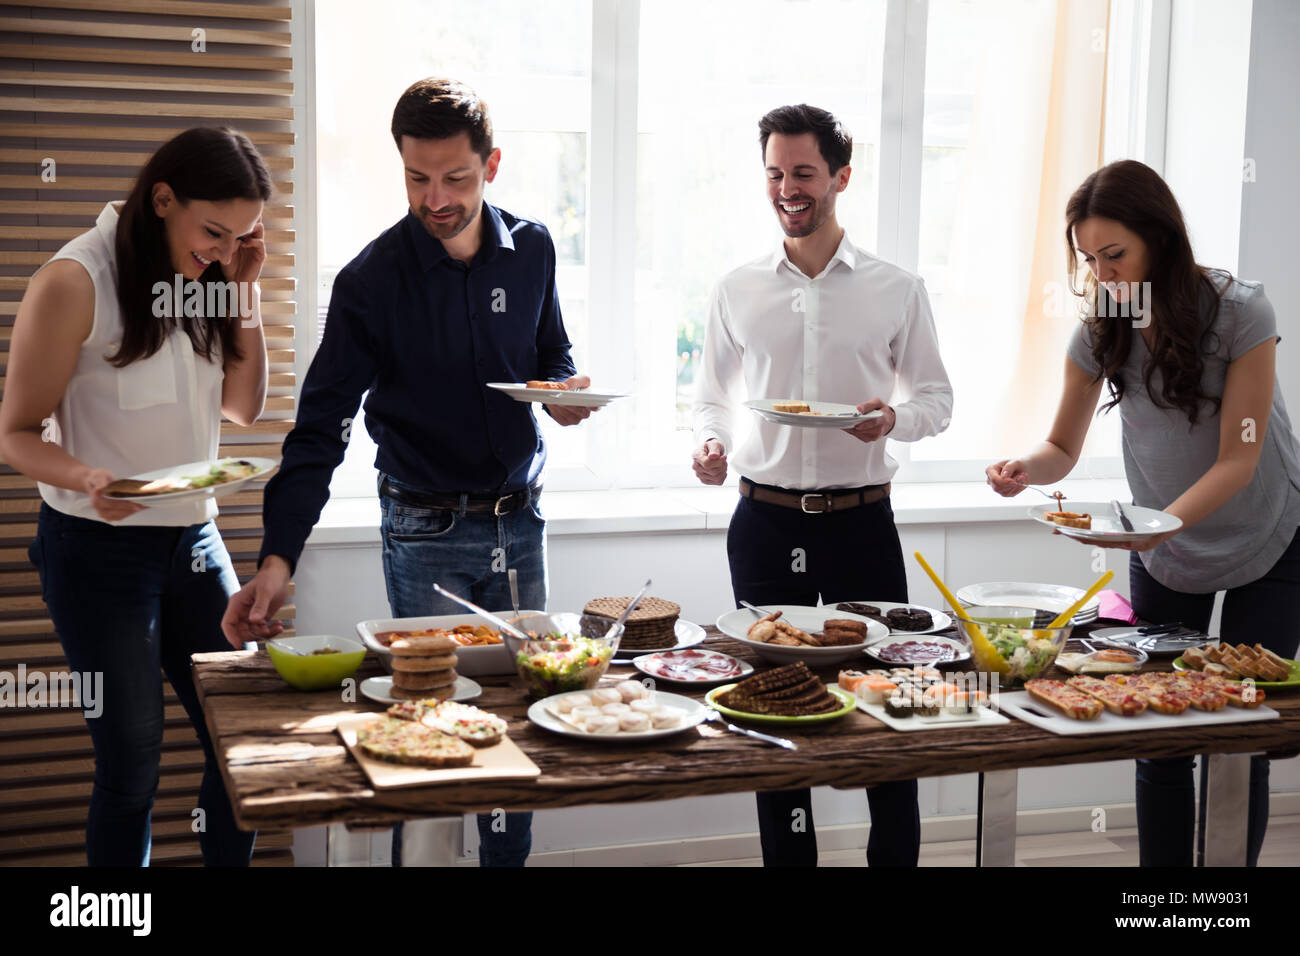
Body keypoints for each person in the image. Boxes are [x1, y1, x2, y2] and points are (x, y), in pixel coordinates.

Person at [221, 77, 593, 867]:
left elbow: (551, 357)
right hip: (424, 529)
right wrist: (278, 560)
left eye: (455, 178)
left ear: (491, 164)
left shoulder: (533, 249)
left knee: (523, 725)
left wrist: (564, 396)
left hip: (519, 521)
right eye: (417, 178)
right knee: (427, 732)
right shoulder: (369, 283)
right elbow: (319, 429)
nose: (436, 198)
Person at [986, 158, 1300, 867]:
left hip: (1271, 532)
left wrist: (1157, 525)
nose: (1102, 274)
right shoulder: (1107, 318)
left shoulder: (1243, 309)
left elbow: (1239, 458)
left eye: (1115, 255)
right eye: (1089, 259)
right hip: (1166, 544)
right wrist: (1021, 470)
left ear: (1160, 238)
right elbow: (1061, 447)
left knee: (1240, 733)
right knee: (1159, 733)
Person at [0, 128, 272, 866]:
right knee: (131, 767)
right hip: (95, 549)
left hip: (192, 539)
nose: (221, 249)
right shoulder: (74, 281)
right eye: (212, 231)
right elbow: (17, 433)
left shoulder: (213, 276)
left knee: (240, 742)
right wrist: (84, 476)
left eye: (240, 236)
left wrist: (243, 289)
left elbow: (245, 407)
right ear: (162, 200)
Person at [692, 104, 953, 866]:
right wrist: (710, 442)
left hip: (863, 526)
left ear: (840, 176)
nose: (786, 188)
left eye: (803, 172)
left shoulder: (897, 288)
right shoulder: (736, 287)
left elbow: (937, 401)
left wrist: (892, 421)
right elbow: (711, 394)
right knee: (774, 715)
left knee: (888, 708)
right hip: (766, 525)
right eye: (774, 173)